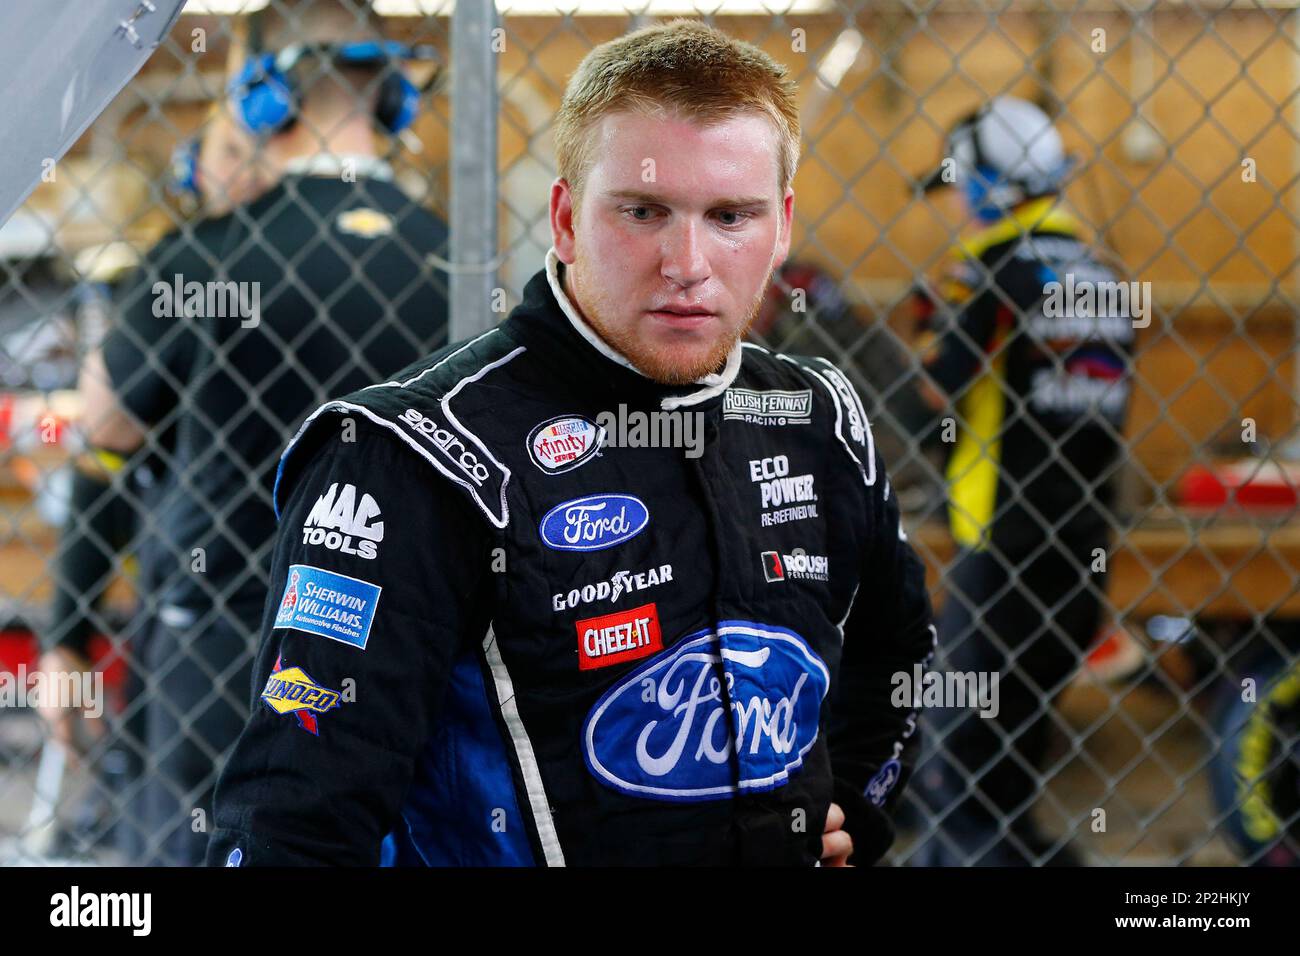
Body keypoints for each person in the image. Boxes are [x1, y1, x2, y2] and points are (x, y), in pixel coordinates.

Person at [205, 19, 935, 868]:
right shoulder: (415, 454)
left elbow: (901, 655)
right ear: (565, 219)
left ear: (781, 227)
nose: (687, 261)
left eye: (732, 215)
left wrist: (854, 802)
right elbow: (292, 824)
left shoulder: (817, 416)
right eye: (643, 211)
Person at [51, 2, 451, 865]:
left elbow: (104, 442)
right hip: (403, 656)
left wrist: (65, 637)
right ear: (391, 101)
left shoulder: (203, 261)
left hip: (220, 652)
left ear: (262, 97)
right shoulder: (458, 264)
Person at [909, 96, 1133, 865]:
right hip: (1080, 549)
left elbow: (933, 395)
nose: (960, 207)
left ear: (986, 185)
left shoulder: (991, 275)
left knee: (953, 768)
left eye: (963, 187)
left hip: (1001, 550)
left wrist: (926, 327)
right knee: (1008, 756)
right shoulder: (1101, 274)